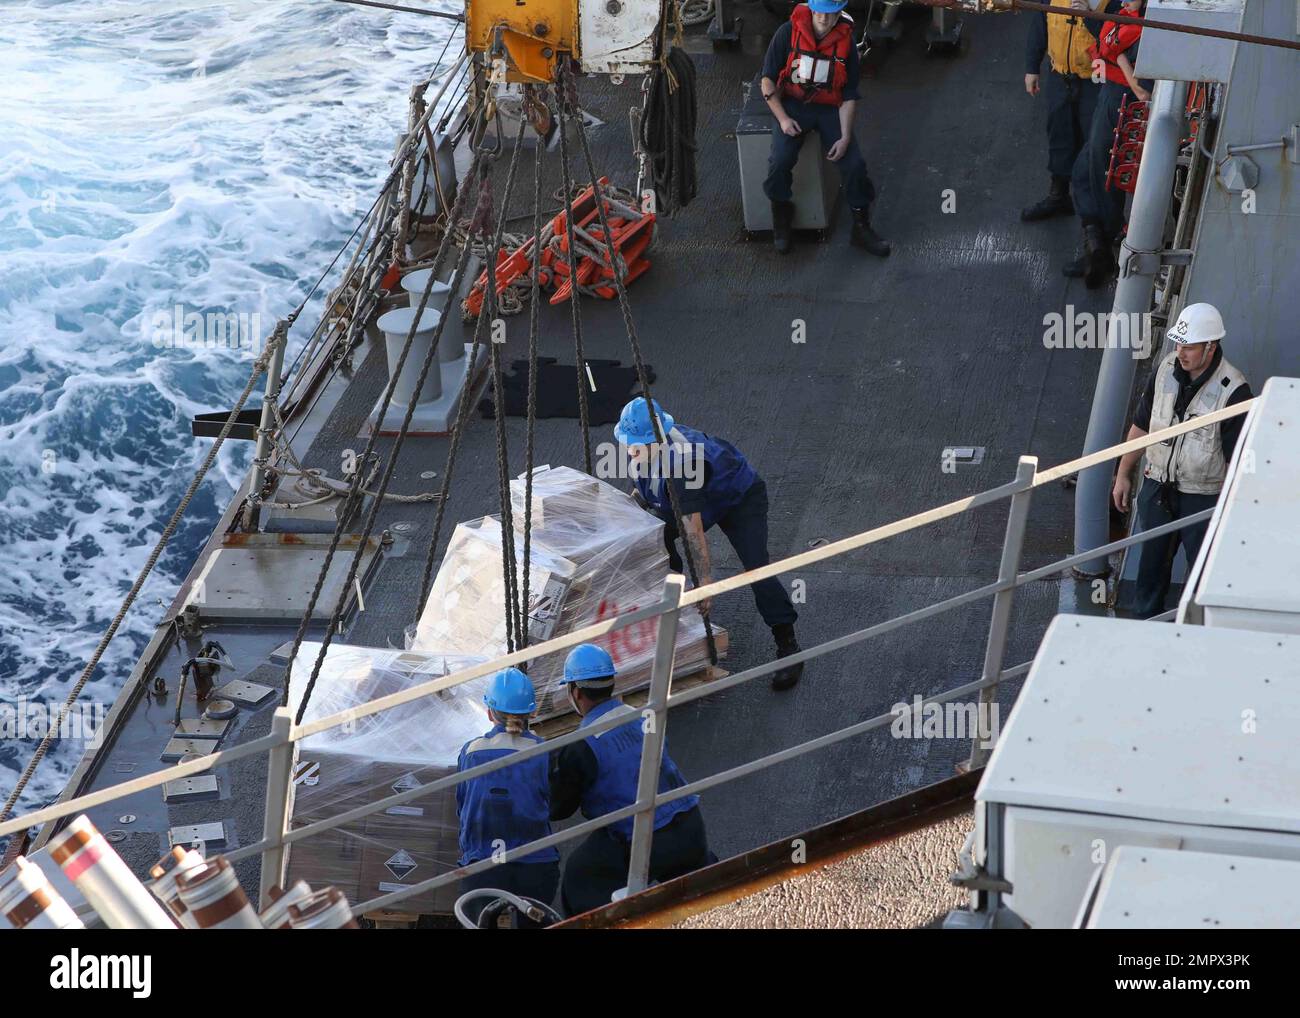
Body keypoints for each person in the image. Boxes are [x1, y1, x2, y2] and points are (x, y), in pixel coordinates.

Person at [614, 396, 804, 690]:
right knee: (655, 538)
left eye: (635, 443)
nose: (629, 449)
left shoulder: (683, 467)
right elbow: (647, 488)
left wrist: (705, 582)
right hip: (693, 499)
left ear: (657, 440)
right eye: (627, 443)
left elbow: (693, 530)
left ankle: (787, 642)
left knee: (756, 569)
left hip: (739, 500)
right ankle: (674, 605)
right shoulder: (645, 451)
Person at [1111, 303, 1252, 618]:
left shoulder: (1235, 392)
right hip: (1157, 487)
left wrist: (1231, 510)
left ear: (1210, 346)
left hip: (1201, 498)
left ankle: (1192, 638)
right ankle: (1147, 628)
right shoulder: (1164, 371)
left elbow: (1236, 461)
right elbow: (1142, 424)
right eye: (1178, 344)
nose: (1181, 352)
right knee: (1149, 572)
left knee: (1202, 577)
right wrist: (1123, 474)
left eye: (1189, 346)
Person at [549, 644, 712, 916]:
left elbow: (559, 807)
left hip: (645, 842)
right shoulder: (642, 717)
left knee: (579, 876)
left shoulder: (582, 744)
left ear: (575, 692)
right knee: (699, 888)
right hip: (691, 827)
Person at [758, 0, 890, 257]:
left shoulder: (847, 43)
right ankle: (782, 213)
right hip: (793, 106)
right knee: (779, 161)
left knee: (853, 164)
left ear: (839, 13)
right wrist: (784, 119)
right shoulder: (787, 32)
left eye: (830, 13)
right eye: (819, 11)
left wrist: (845, 137)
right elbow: (767, 80)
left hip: (830, 108)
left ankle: (861, 226)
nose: (823, 18)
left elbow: (849, 94)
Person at [455, 667, 559, 927]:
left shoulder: (471, 752)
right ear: (531, 713)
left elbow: (462, 805)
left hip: (482, 865)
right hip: (536, 866)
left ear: (489, 712)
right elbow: (553, 802)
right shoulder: (543, 750)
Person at [1067, 0, 1148, 288]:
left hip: (1123, 99)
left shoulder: (1144, 22)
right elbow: (1107, 37)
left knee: (1104, 169)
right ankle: (1098, 242)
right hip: (1114, 91)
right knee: (1090, 170)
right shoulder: (1124, 11)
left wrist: (1115, 50)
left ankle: (1103, 247)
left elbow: (1141, 86)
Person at [1020, 0, 1104, 222]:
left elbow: (1116, 36)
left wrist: (1089, 15)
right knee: (1059, 133)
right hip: (1060, 76)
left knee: (1095, 144)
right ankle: (1059, 196)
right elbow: (1040, 23)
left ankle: (1100, 217)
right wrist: (1032, 67)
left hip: (1097, 80)